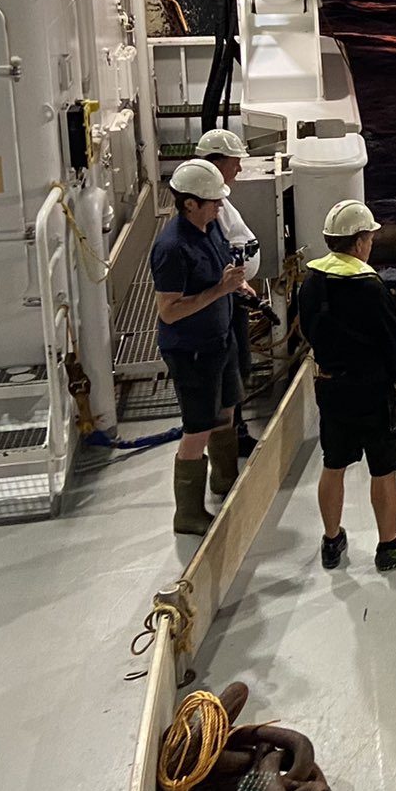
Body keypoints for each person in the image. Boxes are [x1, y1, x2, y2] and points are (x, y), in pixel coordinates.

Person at [296, 200, 396, 571]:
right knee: (383, 469)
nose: (371, 244)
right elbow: (395, 343)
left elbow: (308, 329)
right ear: (358, 243)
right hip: (371, 393)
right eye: (369, 238)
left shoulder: (312, 282)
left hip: (330, 388)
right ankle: (389, 546)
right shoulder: (370, 287)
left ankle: (331, 540)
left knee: (334, 464)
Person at [152, 159, 250, 534]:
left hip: (220, 340)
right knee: (197, 429)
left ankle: (225, 479)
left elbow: (220, 268)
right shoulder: (172, 248)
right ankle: (188, 514)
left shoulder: (209, 227)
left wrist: (236, 285)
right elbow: (169, 311)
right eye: (213, 201)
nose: (220, 206)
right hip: (191, 352)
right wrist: (220, 291)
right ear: (189, 203)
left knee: (226, 410)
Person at [196, 129, 264, 455]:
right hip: (225, 298)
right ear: (217, 161)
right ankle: (232, 437)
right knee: (234, 367)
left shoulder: (218, 200)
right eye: (235, 162)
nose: (239, 169)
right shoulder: (209, 207)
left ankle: (236, 431)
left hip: (233, 293)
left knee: (240, 364)